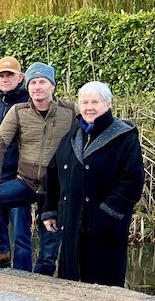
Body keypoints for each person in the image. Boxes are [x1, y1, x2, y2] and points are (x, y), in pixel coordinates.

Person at [41, 82, 144, 287]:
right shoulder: (71, 137)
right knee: (71, 289)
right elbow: (53, 176)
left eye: (95, 102)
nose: (89, 107)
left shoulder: (125, 138)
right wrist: (51, 210)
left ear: (108, 104)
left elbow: (131, 181)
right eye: (85, 102)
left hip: (106, 226)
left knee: (104, 289)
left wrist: (107, 212)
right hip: (72, 224)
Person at [0, 62, 75, 275]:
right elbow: (0, 143)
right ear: (28, 86)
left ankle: (41, 285)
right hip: (26, 183)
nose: (37, 87)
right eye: (33, 82)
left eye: (42, 82)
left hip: (55, 190)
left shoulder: (70, 112)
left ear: (52, 86)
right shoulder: (19, 111)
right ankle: (1, 252)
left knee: (48, 253)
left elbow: (88, 136)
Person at [0, 56, 33, 269]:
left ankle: (23, 273)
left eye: (9, 75)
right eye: (1, 75)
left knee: (21, 230)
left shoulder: (29, 102)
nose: (5, 79)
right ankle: (0, 257)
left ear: (20, 77)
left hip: (18, 176)